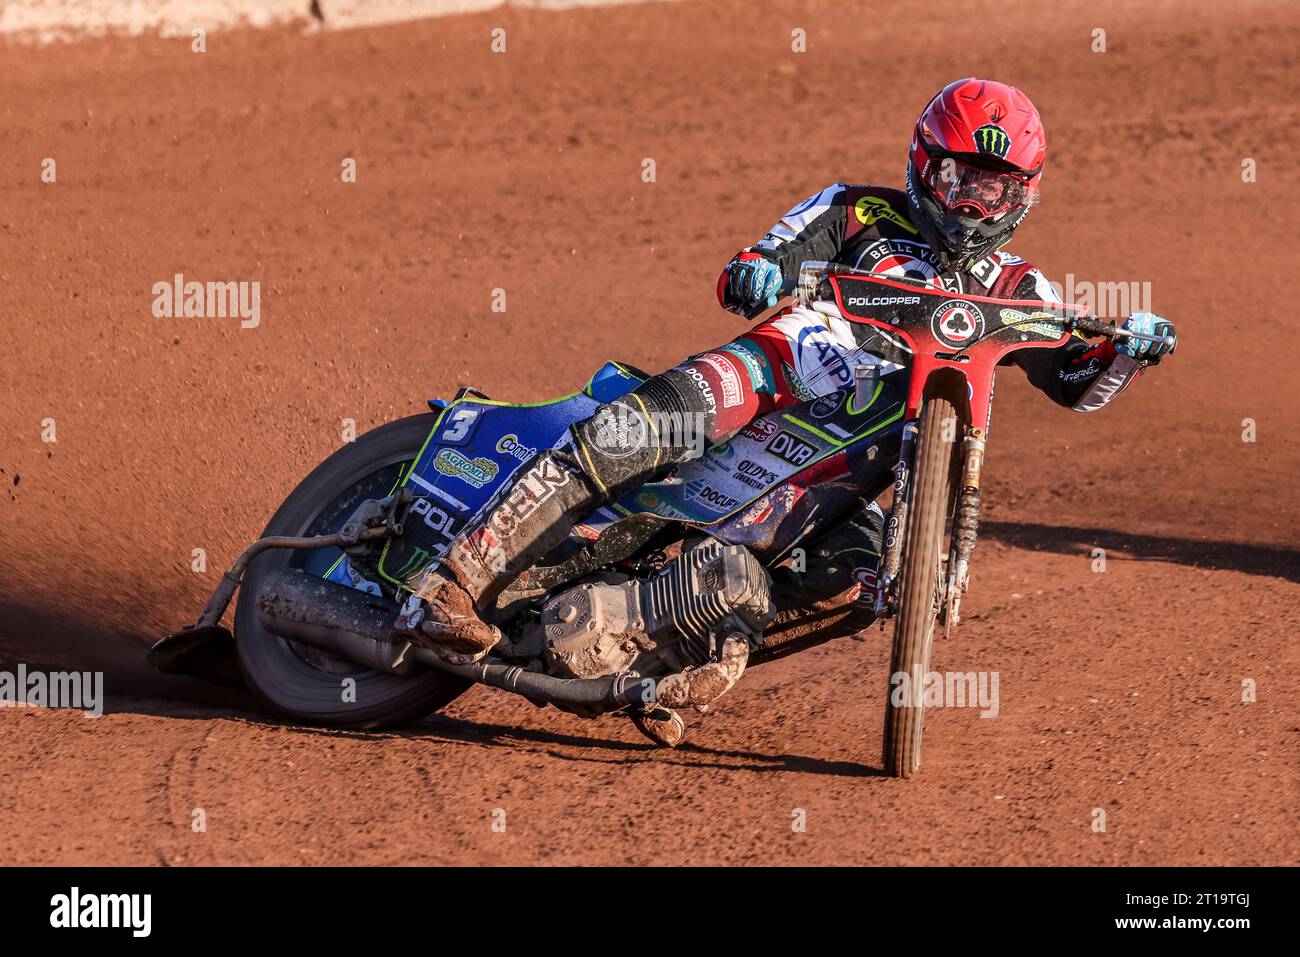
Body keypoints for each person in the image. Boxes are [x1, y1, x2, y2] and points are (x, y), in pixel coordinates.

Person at [401, 77, 1176, 669]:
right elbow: (767, 258)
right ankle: (454, 579)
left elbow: (1074, 380)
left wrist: (1123, 352)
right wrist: (759, 273)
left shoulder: (1019, 289)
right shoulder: (856, 212)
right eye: (958, 181)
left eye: (993, 189)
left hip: (848, 464)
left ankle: (668, 655)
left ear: (1022, 196)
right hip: (776, 377)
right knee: (653, 420)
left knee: (853, 572)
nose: (972, 204)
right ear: (923, 167)